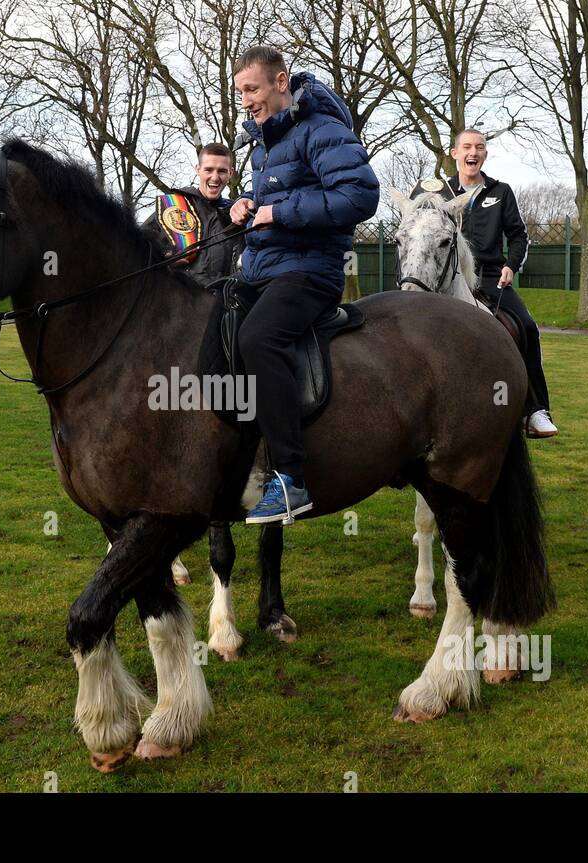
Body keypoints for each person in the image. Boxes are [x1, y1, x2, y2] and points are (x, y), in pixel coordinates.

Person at [229, 46, 379, 524]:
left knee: (258, 338)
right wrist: (246, 205)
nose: (246, 101)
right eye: (240, 93)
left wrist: (278, 212)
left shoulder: (324, 130)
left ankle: (291, 479)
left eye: (251, 89)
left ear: (280, 81)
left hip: (310, 271)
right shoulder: (263, 144)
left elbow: (360, 195)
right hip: (260, 269)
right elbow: (275, 194)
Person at [414, 129, 557, 438]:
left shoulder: (501, 191)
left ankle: (535, 410)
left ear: (485, 155)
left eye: (479, 147)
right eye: (467, 147)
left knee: (527, 327)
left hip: (492, 277)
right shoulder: (440, 195)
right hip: (448, 277)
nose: (473, 152)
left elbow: (519, 236)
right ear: (454, 154)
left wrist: (510, 266)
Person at [140, 143, 243, 286]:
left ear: (231, 173)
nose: (215, 177)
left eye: (222, 171)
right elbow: (136, 251)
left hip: (223, 300)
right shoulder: (173, 207)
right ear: (198, 170)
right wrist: (165, 260)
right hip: (177, 299)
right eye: (208, 170)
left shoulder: (236, 214)